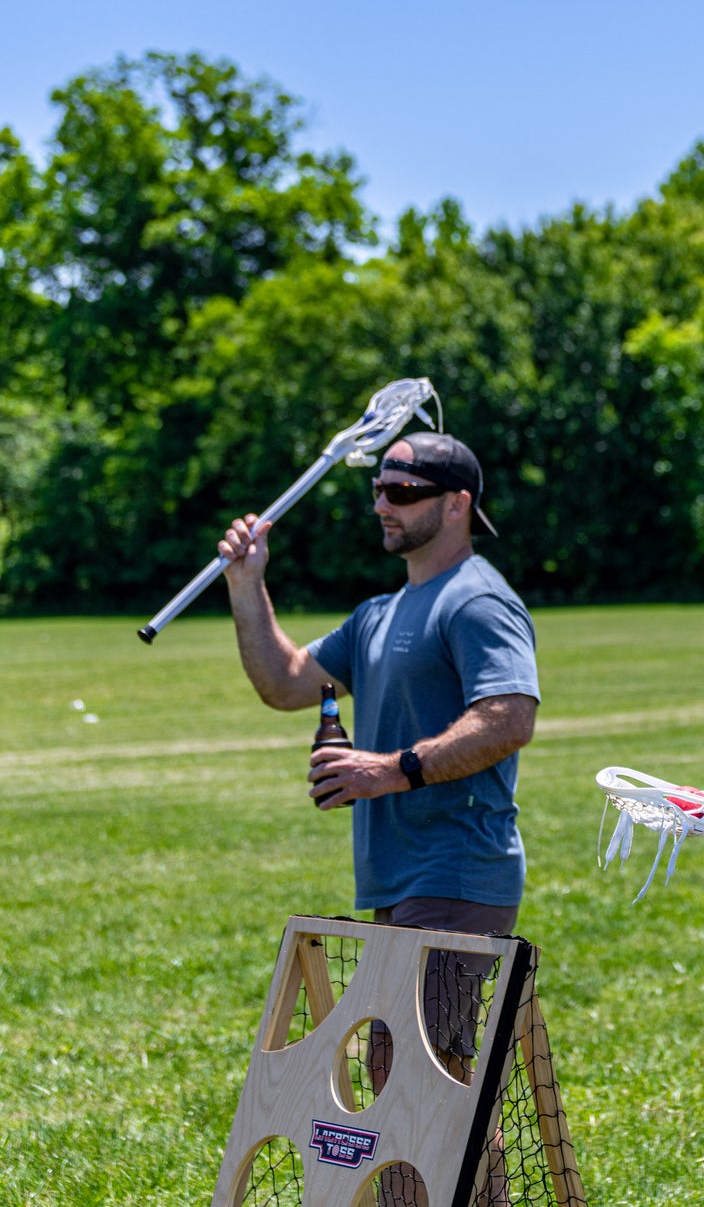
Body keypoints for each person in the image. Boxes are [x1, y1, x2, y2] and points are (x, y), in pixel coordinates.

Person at [215, 430, 541, 1068]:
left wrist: (391, 770)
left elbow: (508, 718)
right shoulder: (379, 613)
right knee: (423, 1084)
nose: (382, 505)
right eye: (378, 490)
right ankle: (463, 1177)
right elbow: (284, 683)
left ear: (456, 505)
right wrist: (245, 583)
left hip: (457, 869)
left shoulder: (477, 601)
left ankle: (445, 1177)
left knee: (413, 1077)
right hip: (401, 873)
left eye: (402, 491)